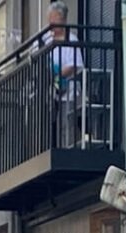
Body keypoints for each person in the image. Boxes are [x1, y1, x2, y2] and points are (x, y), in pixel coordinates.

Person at [46, 0, 83, 146]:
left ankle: (66, 147)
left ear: (63, 20)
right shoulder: (45, 39)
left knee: (66, 124)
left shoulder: (71, 40)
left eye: (54, 21)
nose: (52, 25)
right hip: (49, 91)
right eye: (50, 21)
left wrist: (57, 74)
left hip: (68, 91)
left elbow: (75, 64)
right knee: (50, 124)